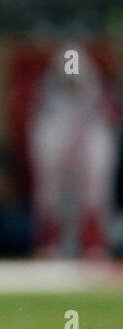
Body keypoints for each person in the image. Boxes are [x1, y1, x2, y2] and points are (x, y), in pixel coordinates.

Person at [28, 43, 119, 257]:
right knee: (51, 195)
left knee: (95, 195)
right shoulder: (52, 96)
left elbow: (108, 115)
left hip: (88, 133)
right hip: (60, 133)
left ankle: (94, 244)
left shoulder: (94, 92)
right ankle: (49, 244)